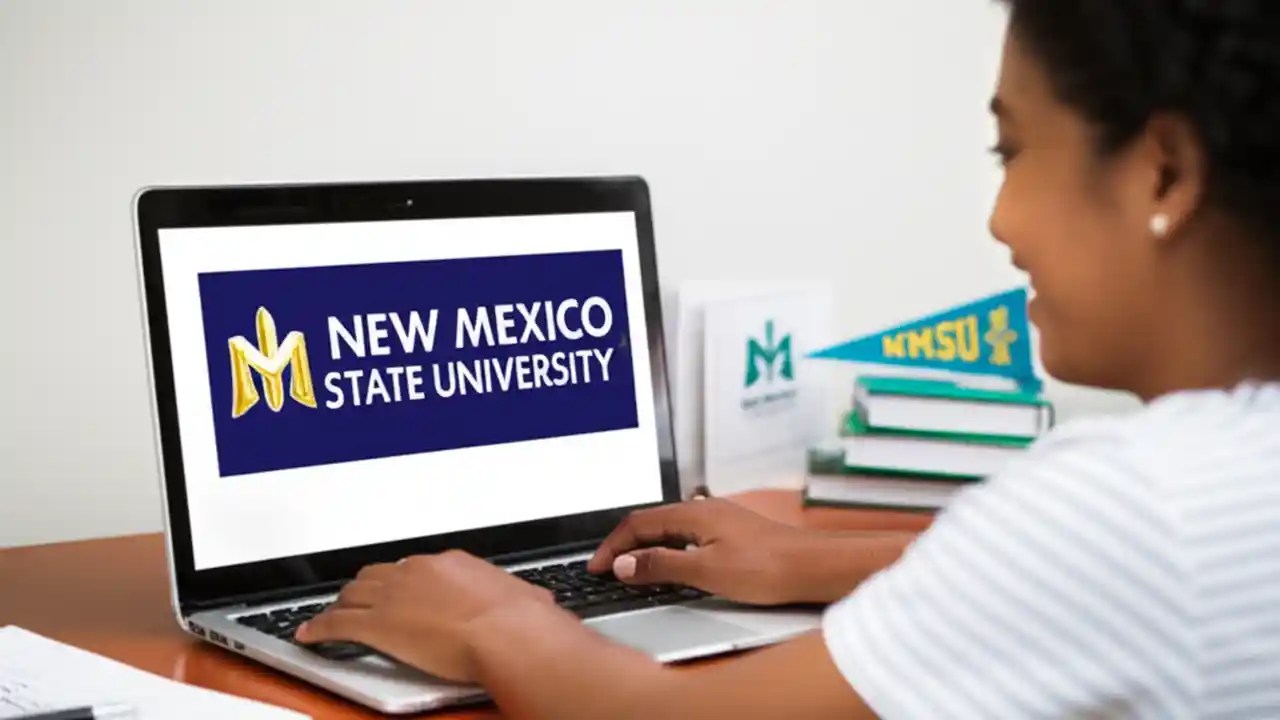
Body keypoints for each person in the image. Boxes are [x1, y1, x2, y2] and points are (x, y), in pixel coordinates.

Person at [296, 0, 1280, 716]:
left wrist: (491, 620)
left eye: (1010, 150)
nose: (999, 217)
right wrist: (817, 560)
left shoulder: (1139, 507)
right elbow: (1082, 585)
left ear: (1162, 169)